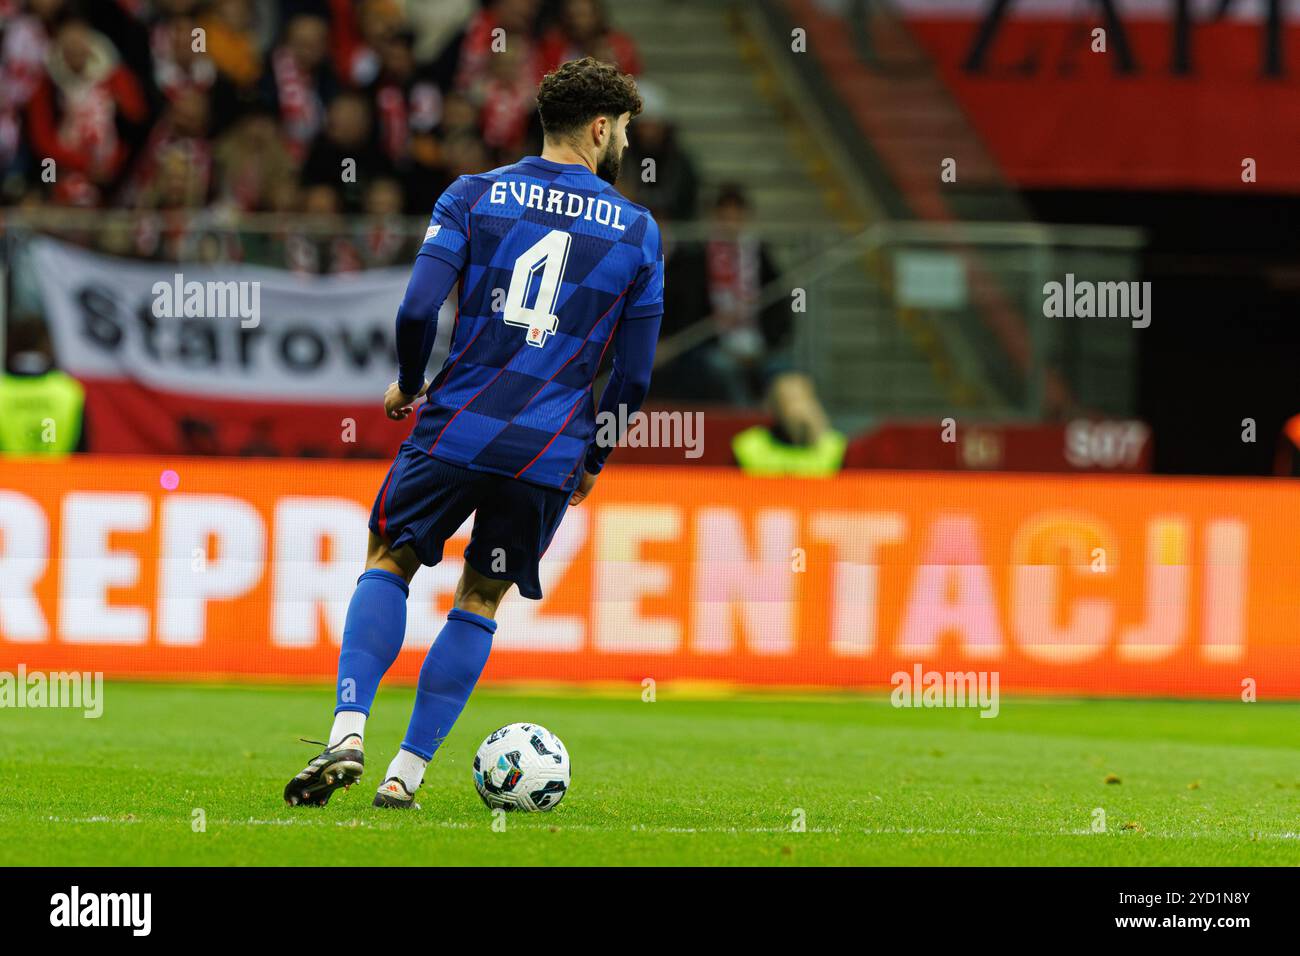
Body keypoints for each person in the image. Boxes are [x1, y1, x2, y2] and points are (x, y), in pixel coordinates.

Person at [283, 56, 662, 810]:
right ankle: (406, 776)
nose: (623, 143)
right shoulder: (638, 231)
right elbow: (633, 378)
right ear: (598, 128)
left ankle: (349, 730)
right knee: (480, 599)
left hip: (456, 426)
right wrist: (594, 457)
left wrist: (409, 379)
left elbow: (418, 309)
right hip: (548, 450)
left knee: (389, 560)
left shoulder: (474, 195)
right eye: (621, 129)